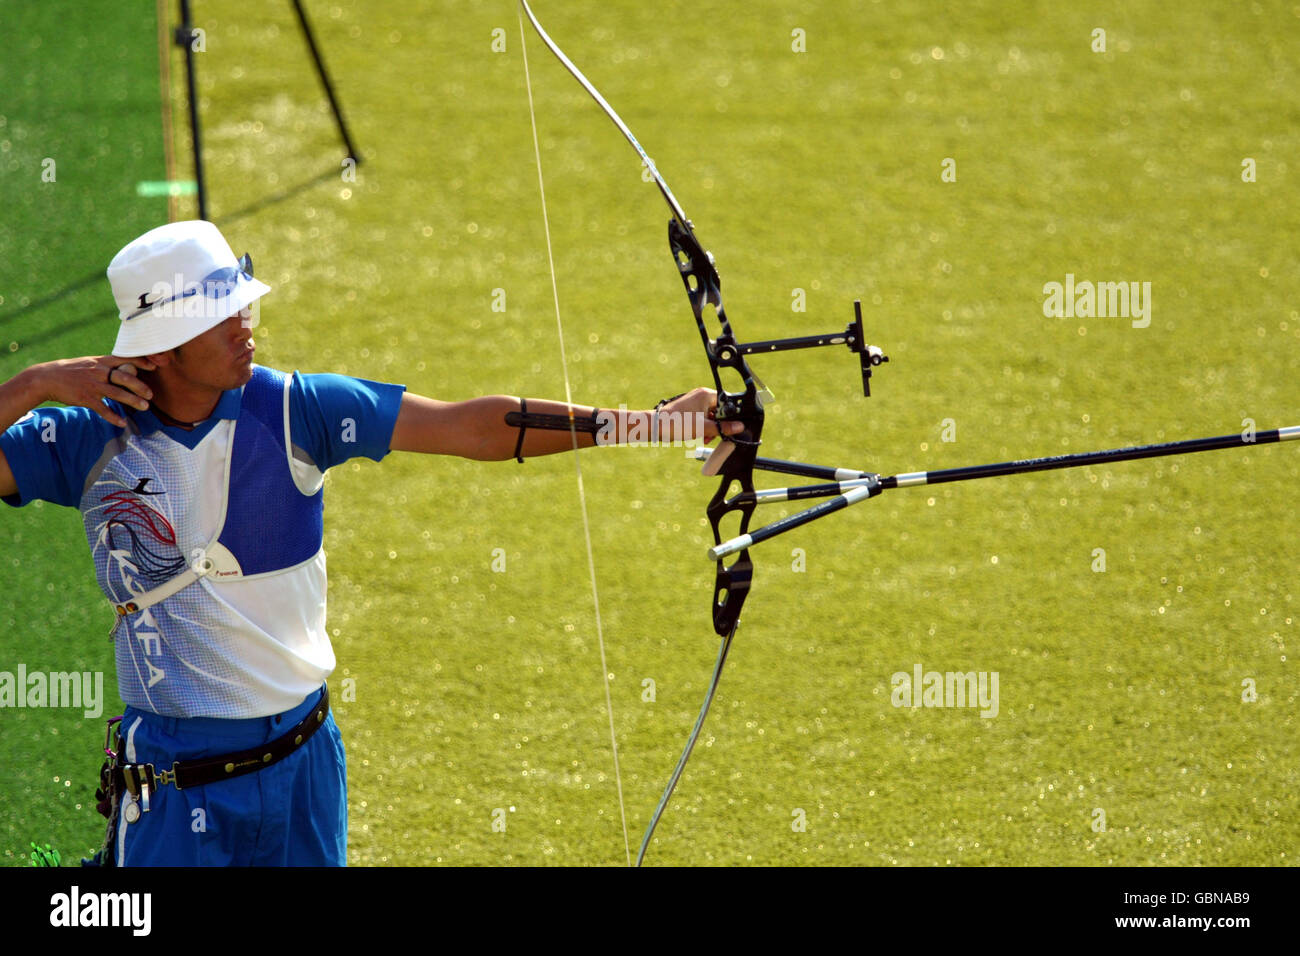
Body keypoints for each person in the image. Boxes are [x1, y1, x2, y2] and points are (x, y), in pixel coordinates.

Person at [0, 220, 737, 866]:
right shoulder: (83, 439)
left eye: (241, 302)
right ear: (158, 347)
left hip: (302, 773)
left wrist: (653, 422)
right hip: (169, 788)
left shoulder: (300, 409)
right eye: (217, 313)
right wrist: (34, 381)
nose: (245, 322)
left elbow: (469, 426)